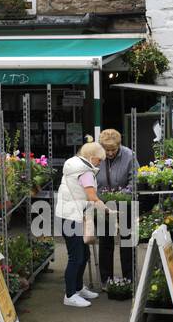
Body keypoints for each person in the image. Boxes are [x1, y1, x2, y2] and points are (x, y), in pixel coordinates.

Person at [56, 140, 108, 308]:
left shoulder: (74, 165)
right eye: (100, 159)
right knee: (76, 257)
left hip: (69, 215)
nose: (101, 162)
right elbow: (92, 196)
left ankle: (77, 288)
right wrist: (108, 211)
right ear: (92, 158)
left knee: (83, 255)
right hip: (72, 217)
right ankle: (70, 295)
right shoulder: (85, 172)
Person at [96, 128, 136, 287]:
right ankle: (106, 280)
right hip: (102, 204)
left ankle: (129, 278)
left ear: (119, 146)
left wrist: (124, 193)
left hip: (124, 204)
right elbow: (89, 178)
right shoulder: (96, 154)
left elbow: (135, 178)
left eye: (113, 149)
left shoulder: (129, 155)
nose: (110, 153)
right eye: (107, 150)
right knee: (105, 242)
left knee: (127, 242)